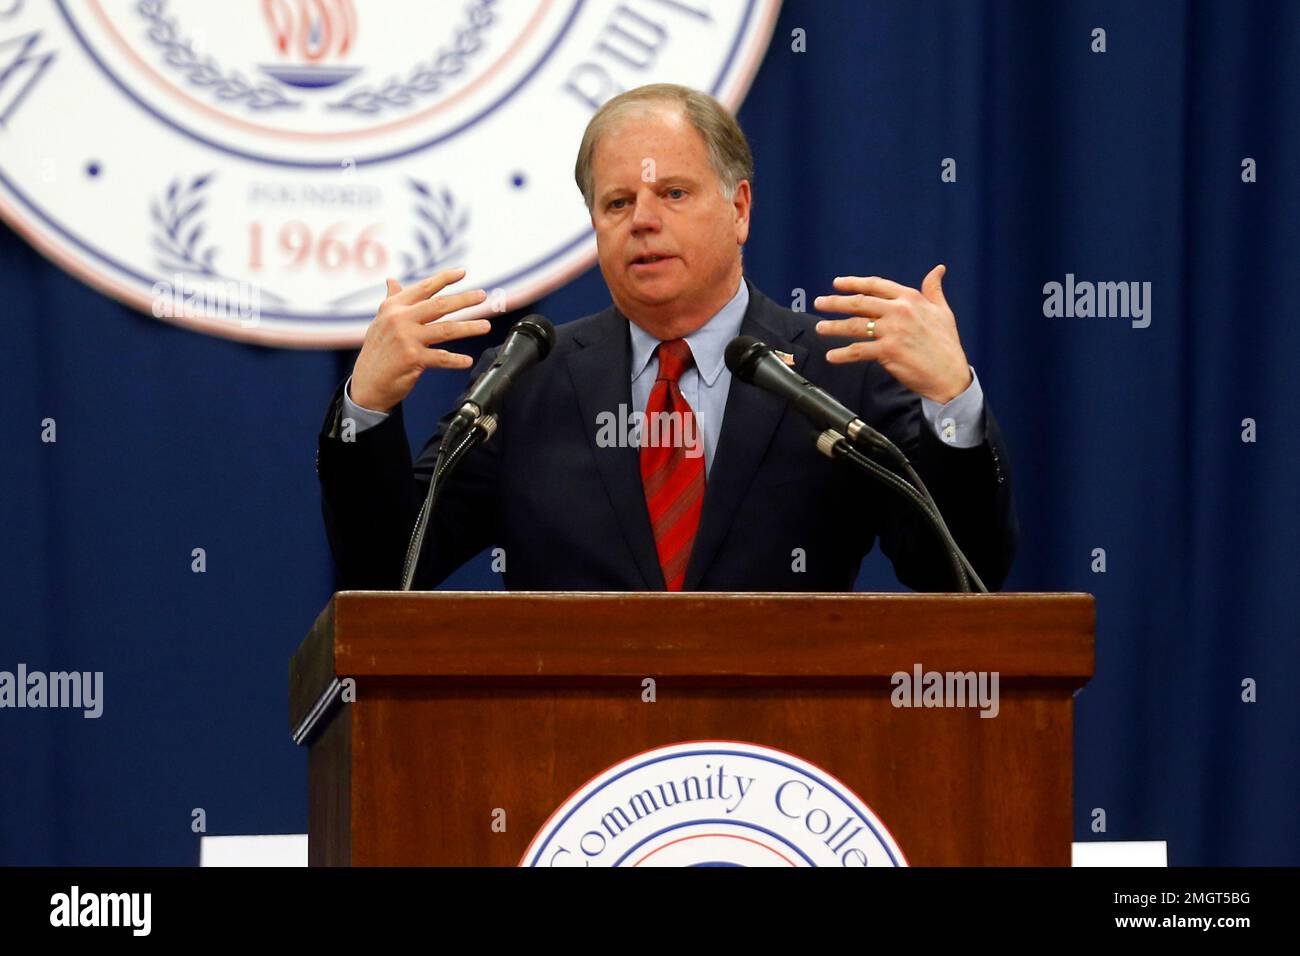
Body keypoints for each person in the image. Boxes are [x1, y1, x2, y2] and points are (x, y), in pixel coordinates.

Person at [317, 83, 1016, 592]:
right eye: (617, 203)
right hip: (575, 774)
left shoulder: (836, 373)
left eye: (673, 194)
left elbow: (963, 574)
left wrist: (952, 403)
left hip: (784, 767)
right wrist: (367, 406)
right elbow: (387, 574)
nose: (641, 221)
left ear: (738, 208)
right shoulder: (527, 379)